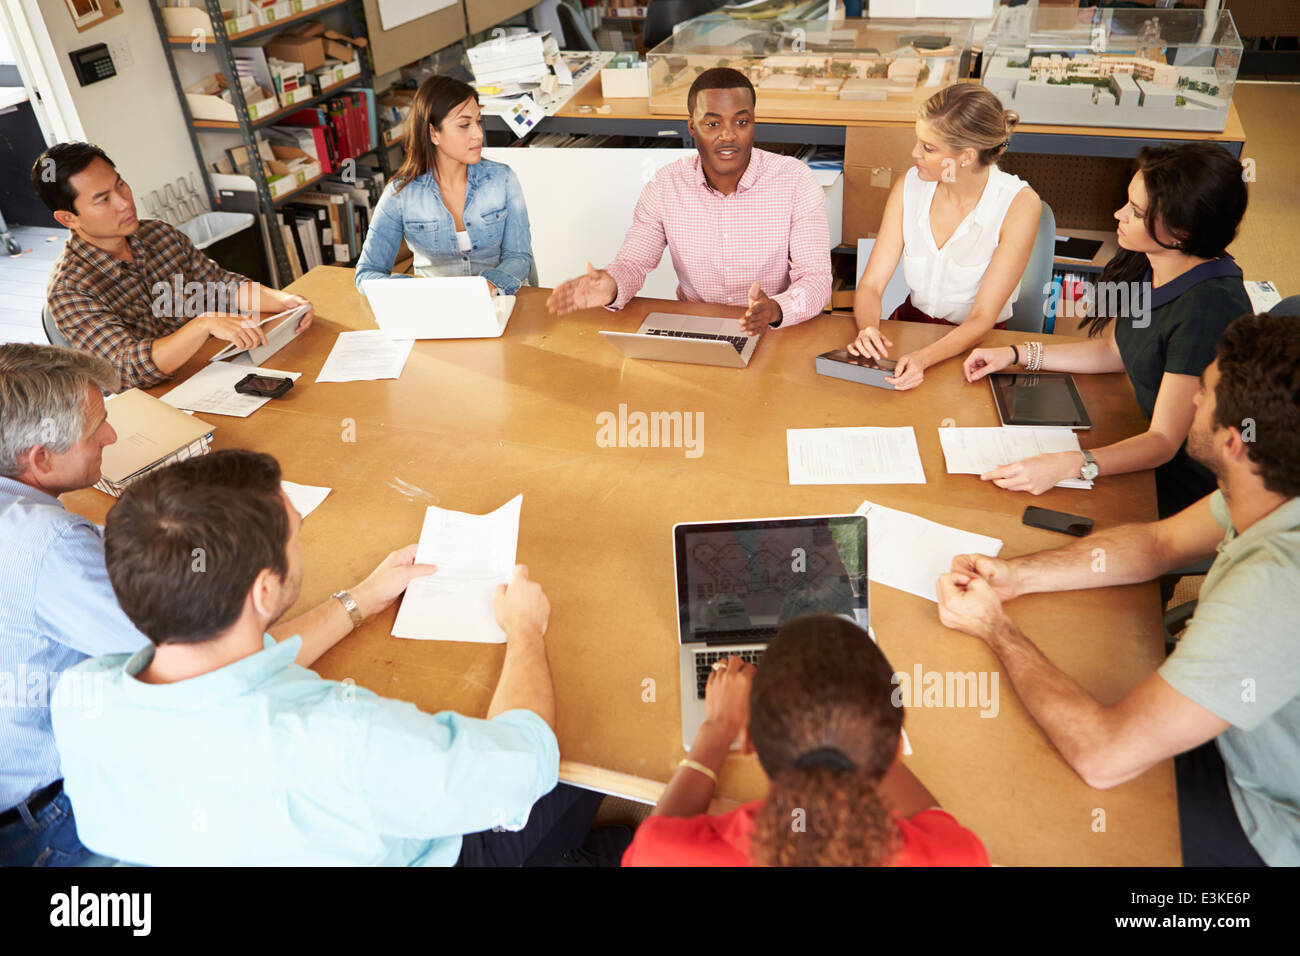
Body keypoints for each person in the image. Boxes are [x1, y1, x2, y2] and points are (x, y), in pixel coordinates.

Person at [50, 449, 621, 866]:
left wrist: (359, 600)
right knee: (594, 739)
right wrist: (524, 631)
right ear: (264, 592)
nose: (302, 546)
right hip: (431, 847)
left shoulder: (82, 696)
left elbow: (228, 671)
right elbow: (520, 765)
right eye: (296, 538)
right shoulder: (342, 737)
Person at [937, 313, 1300, 867]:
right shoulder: (1274, 484)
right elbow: (1159, 544)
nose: (1193, 403)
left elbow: (1103, 754)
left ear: (1234, 443)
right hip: (1233, 728)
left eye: (1203, 394)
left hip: (1261, 817)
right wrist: (1021, 576)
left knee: (1017, 794)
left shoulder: (1276, 587)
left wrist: (994, 626)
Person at [963, 142, 1250, 516]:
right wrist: (1017, 355)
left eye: (1135, 211)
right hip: (1133, 430)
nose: (1118, 214)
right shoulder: (1152, 257)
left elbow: (1164, 442)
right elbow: (1113, 350)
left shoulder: (1208, 310)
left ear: (1181, 230)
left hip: (1181, 479)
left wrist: (1073, 463)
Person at [622, 614, 990, 866]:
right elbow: (932, 818)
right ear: (896, 747)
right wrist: (856, 719)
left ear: (749, 740)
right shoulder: (957, 857)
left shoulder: (665, 854)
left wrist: (717, 730)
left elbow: (654, 836)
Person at [0, 344, 148, 866]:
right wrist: (353, 601)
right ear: (39, 459)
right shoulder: (47, 543)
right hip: (49, 818)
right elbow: (191, 655)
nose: (111, 436)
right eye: (97, 430)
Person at [546, 68, 832, 334]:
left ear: (754, 123)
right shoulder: (664, 187)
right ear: (692, 127)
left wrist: (775, 309)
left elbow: (817, 279)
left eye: (741, 122)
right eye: (712, 123)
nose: (729, 135)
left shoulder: (795, 181)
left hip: (773, 331)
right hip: (697, 330)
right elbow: (633, 263)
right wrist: (610, 285)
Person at [33, 142, 314, 391]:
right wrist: (203, 324)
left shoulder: (159, 234)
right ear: (68, 219)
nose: (124, 203)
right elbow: (126, 369)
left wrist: (285, 301)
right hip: (158, 403)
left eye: (120, 184)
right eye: (103, 199)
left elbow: (221, 287)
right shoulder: (70, 290)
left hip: (216, 370)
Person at [849, 84, 1040, 390]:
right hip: (908, 331)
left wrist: (923, 359)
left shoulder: (1019, 205)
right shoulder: (910, 185)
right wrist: (869, 329)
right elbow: (871, 285)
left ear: (965, 156)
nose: (914, 153)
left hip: (976, 350)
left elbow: (981, 319)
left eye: (928, 147)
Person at [354, 75, 533, 295]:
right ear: (433, 133)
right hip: (434, 309)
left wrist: (488, 286)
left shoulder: (503, 179)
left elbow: (519, 256)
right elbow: (367, 273)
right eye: (464, 125)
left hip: (499, 301)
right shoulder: (400, 195)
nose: (478, 134)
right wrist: (417, 290)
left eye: (478, 121)